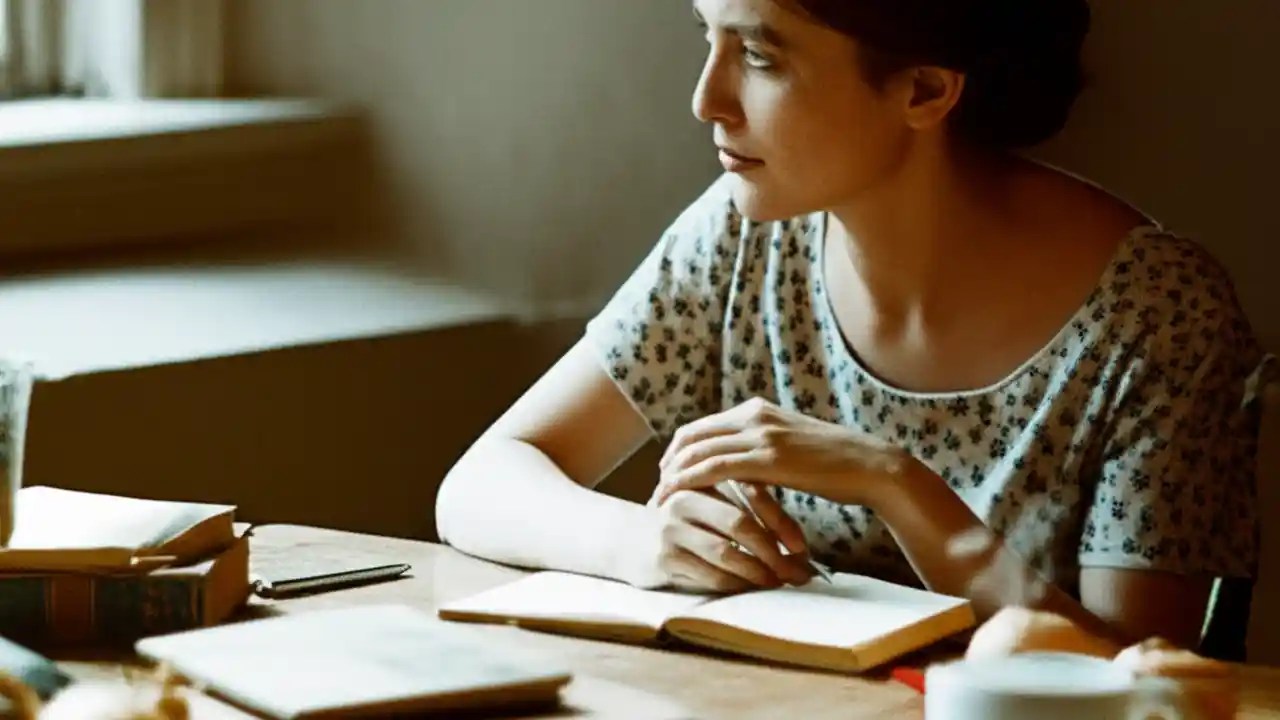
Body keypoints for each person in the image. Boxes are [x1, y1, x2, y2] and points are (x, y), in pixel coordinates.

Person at [436, 0, 1275, 651]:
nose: (707, 100)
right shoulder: (740, 234)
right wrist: (642, 540)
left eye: (760, 56)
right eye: (708, 37)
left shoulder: (1159, 317)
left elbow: (1140, 677)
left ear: (923, 89)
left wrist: (895, 481)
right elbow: (481, 483)